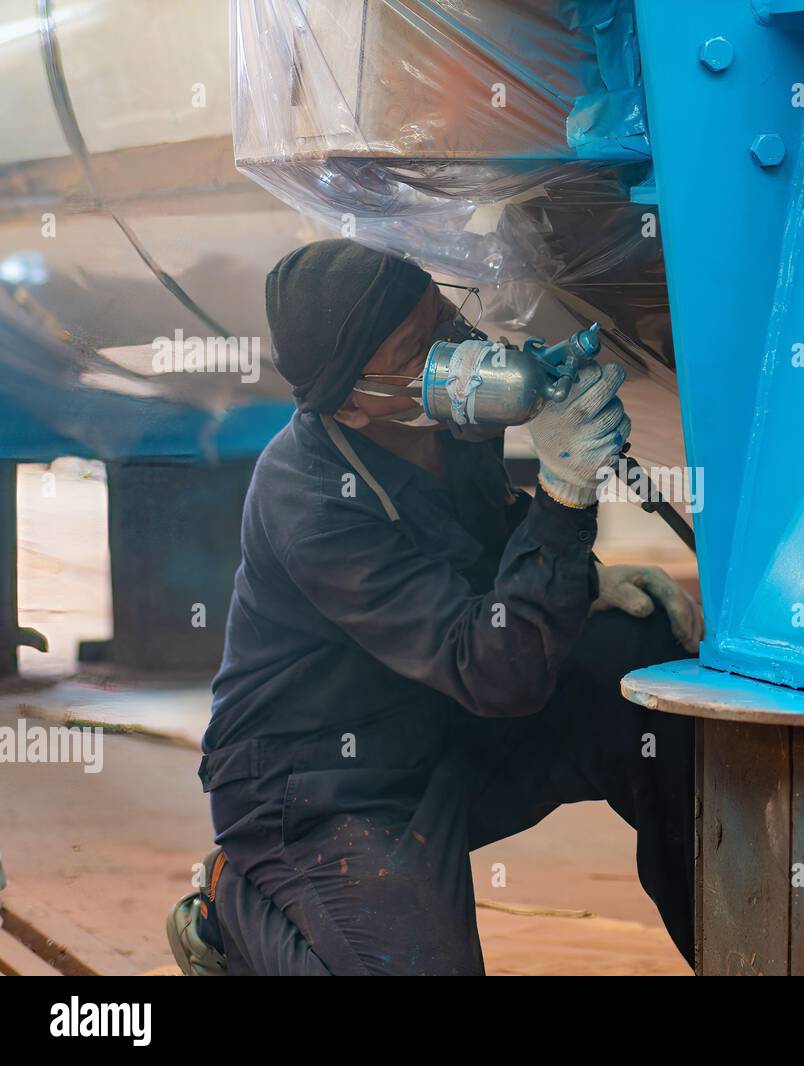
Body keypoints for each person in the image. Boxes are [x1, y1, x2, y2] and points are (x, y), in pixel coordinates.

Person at [166, 239, 702, 975]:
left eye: (447, 317)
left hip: (445, 721)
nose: (461, 354)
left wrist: (581, 576)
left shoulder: (453, 429)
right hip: (323, 788)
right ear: (353, 399)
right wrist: (566, 495)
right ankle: (240, 906)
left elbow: (481, 549)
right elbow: (494, 672)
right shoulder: (311, 500)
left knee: (637, 669)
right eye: (423, 348)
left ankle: (743, 947)